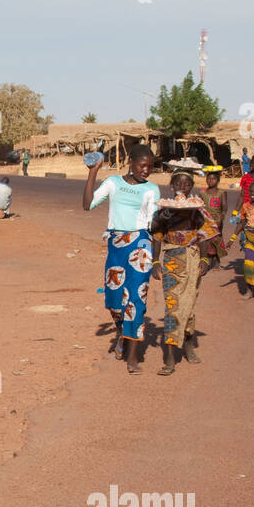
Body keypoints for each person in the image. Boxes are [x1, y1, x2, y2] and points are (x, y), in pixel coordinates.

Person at [83, 144, 160, 375]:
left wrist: (165, 217)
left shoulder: (152, 189)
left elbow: (152, 224)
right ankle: (123, 334)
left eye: (150, 167)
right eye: (142, 166)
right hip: (116, 245)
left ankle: (133, 355)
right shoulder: (113, 183)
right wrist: (93, 172)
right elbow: (87, 205)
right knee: (115, 300)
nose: (146, 171)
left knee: (136, 300)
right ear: (131, 162)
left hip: (141, 245)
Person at [150, 170, 219, 376]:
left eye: (187, 183)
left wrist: (205, 259)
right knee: (173, 307)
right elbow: (155, 234)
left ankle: (188, 346)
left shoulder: (197, 209)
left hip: (192, 259)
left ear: (191, 187)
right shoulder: (165, 209)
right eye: (178, 182)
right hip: (172, 259)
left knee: (188, 305)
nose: (183, 186)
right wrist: (155, 261)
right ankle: (169, 358)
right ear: (172, 186)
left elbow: (205, 235)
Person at [198, 165, 230, 269]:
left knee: (216, 240)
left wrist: (222, 217)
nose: (211, 181)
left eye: (214, 179)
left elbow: (224, 207)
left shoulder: (221, 193)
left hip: (217, 220)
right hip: (205, 220)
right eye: (209, 178)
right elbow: (199, 205)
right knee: (205, 240)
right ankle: (206, 260)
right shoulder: (202, 192)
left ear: (218, 180)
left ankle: (216, 260)